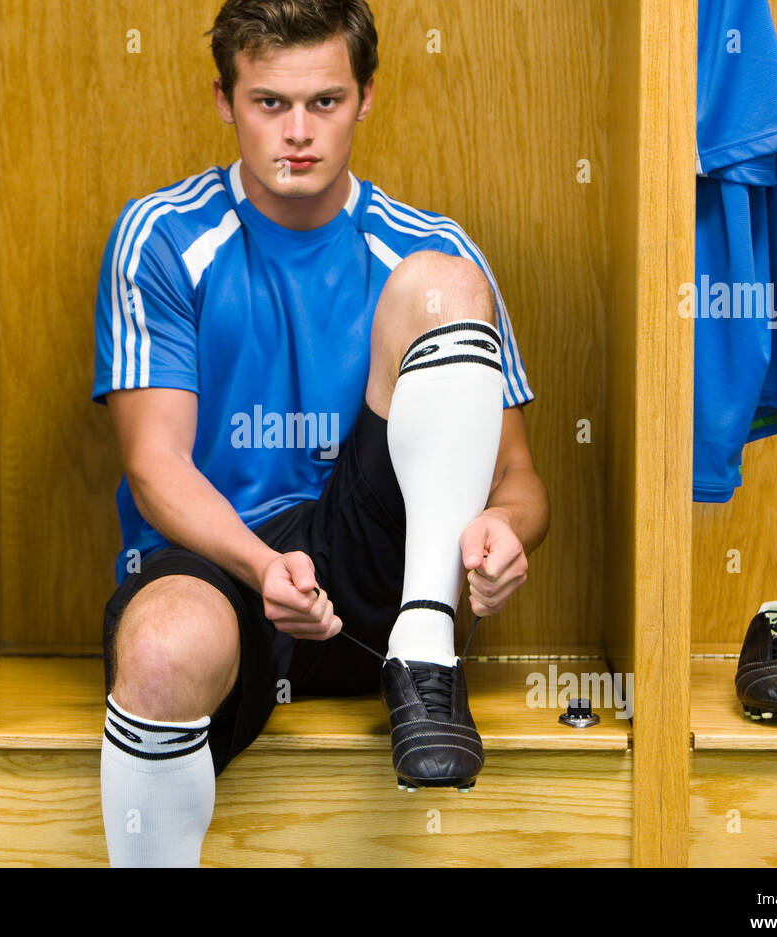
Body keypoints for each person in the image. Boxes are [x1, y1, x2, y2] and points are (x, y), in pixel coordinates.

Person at [91, 0, 549, 867]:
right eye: (270, 103)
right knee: (158, 650)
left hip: (379, 571)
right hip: (227, 564)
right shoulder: (163, 235)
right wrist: (265, 568)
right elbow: (154, 465)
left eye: (325, 103)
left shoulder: (431, 246)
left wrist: (504, 534)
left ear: (367, 96)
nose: (298, 132)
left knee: (437, 284)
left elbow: (520, 482)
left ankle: (425, 661)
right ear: (225, 101)